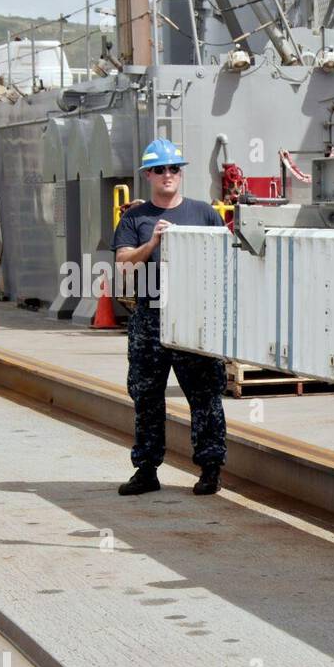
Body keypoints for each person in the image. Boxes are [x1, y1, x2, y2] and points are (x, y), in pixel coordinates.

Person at [112, 138, 230, 497]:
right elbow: (122, 264)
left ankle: (210, 470)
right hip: (151, 317)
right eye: (160, 169)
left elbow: (226, 259)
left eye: (173, 169)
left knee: (205, 395)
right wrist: (152, 244)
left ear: (180, 173)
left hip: (193, 315)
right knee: (147, 395)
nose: (168, 175)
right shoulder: (135, 218)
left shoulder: (204, 214)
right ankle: (147, 470)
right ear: (148, 175)